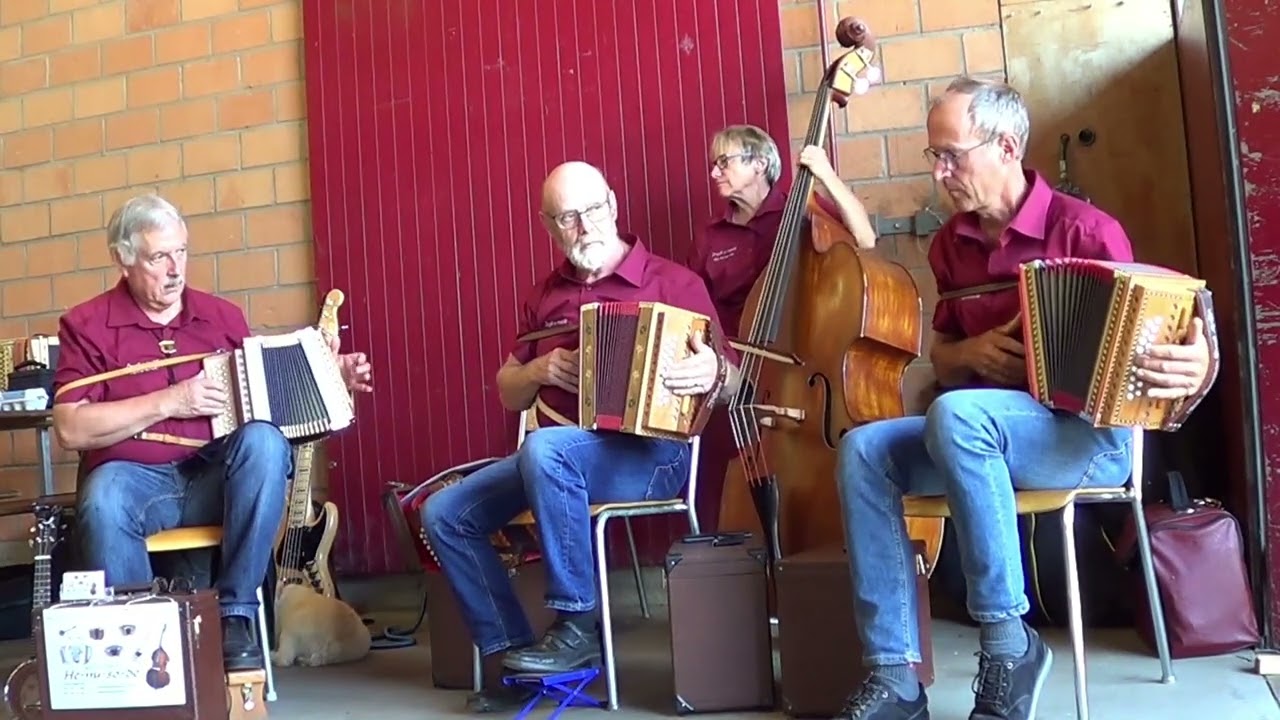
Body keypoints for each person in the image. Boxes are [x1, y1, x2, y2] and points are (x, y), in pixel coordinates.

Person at [832, 77, 1217, 720]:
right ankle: (894, 673)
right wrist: (968, 354)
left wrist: (1199, 358)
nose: (941, 171)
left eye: (952, 154)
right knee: (866, 448)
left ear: (1007, 146)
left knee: (957, 417)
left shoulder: (1087, 231)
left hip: (1086, 441)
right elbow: (943, 354)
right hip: (978, 437)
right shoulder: (949, 244)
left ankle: (1009, 645)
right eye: (935, 156)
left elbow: (1167, 328)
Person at [422, 161, 741, 713]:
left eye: (592, 210)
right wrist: (537, 371)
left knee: (545, 450)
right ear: (550, 227)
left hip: (654, 455)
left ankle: (576, 624)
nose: (584, 225)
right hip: (558, 460)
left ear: (613, 207)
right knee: (444, 512)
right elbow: (508, 390)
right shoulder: (547, 295)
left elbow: (734, 385)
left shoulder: (673, 282)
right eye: (567, 217)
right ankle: (514, 660)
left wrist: (713, 371)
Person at [52, 194, 375, 673]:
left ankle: (236, 615)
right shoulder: (87, 325)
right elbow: (70, 426)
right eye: (158, 256)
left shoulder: (221, 318)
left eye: (180, 251)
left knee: (265, 441)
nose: (175, 268)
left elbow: (271, 412)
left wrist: (328, 380)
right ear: (123, 259)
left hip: (214, 480)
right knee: (103, 494)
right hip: (137, 482)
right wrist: (171, 401)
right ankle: (140, 648)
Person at [687, 124, 878, 531]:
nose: (714, 173)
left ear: (759, 165)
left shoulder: (800, 209)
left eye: (724, 162)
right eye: (713, 164)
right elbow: (699, 307)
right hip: (740, 371)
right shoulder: (710, 236)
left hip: (800, 364)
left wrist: (824, 173)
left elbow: (864, 239)